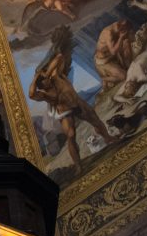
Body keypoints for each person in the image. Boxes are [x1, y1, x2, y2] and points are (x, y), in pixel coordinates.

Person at [30, 27, 119, 174]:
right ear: (41, 85)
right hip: (64, 112)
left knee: (95, 119)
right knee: (71, 135)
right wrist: (35, 79)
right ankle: (78, 165)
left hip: (77, 102)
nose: (46, 82)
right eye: (43, 82)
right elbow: (32, 94)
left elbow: (58, 58)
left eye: (45, 80)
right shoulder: (45, 94)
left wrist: (45, 73)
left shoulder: (56, 77)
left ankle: (108, 138)